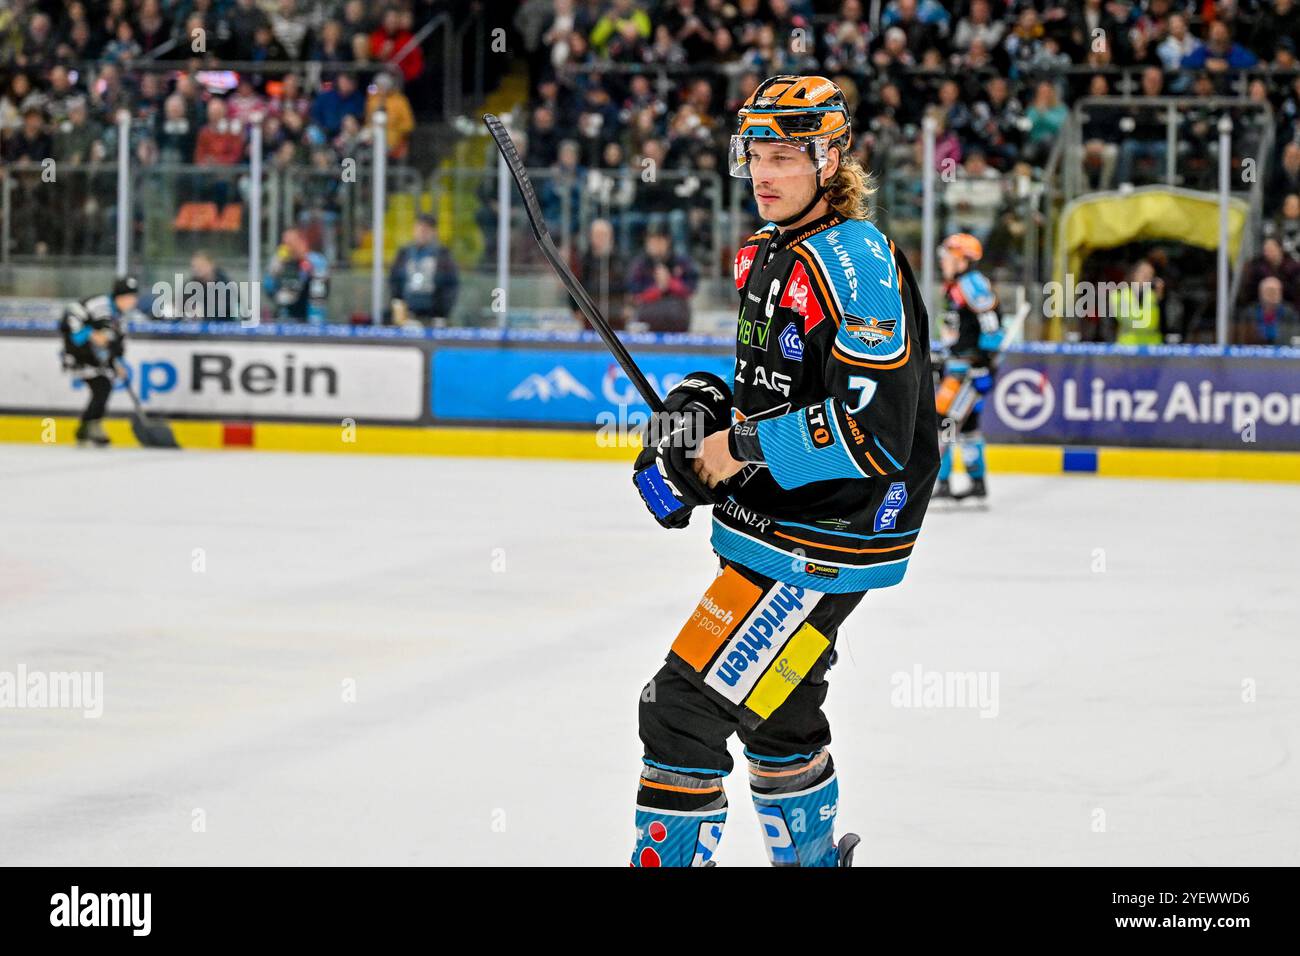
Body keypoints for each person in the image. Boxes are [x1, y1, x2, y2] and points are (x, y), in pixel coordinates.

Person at [629, 75, 939, 867]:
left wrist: (735, 449)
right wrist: (693, 415)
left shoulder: (856, 260)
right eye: (755, 155)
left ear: (829, 159)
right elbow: (769, 392)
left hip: (825, 538)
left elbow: (873, 431)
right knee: (778, 713)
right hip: (777, 528)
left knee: (680, 712)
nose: (763, 174)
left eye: (784, 157)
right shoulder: (766, 253)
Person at [933, 233, 1001, 501]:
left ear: (963, 260)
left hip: (969, 371)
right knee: (968, 425)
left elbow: (990, 324)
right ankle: (977, 481)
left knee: (944, 422)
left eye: (948, 257)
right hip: (960, 367)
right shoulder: (956, 285)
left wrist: (985, 362)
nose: (943, 262)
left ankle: (942, 481)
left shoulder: (971, 283)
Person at [60, 276, 137, 447]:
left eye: (134, 297)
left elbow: (115, 345)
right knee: (103, 386)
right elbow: (71, 315)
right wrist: (87, 333)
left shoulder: (119, 317)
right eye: (129, 297)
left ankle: (86, 428)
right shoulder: (100, 304)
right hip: (78, 352)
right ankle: (91, 426)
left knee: (103, 386)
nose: (133, 301)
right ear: (119, 296)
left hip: (93, 355)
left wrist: (117, 362)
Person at [388, 214, 459, 325]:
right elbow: (394, 280)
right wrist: (398, 306)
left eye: (426, 230)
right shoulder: (404, 253)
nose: (421, 233)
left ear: (434, 232)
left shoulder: (442, 255)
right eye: (419, 229)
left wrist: (442, 313)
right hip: (407, 314)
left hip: (433, 315)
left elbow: (450, 285)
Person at [265, 228, 329, 323]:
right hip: (285, 318)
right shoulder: (282, 263)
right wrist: (272, 273)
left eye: (291, 243)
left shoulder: (316, 261)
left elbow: (318, 295)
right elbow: (269, 290)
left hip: (310, 318)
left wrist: (305, 267)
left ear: (302, 242)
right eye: (284, 244)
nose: (288, 247)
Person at [1236, 276, 1300, 346]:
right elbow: (1242, 337)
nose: (1272, 294)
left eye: (1276, 291)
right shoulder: (1250, 312)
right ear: (1260, 293)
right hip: (1255, 349)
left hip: (1282, 348)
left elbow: (1295, 335)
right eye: (1269, 290)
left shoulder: (1289, 312)